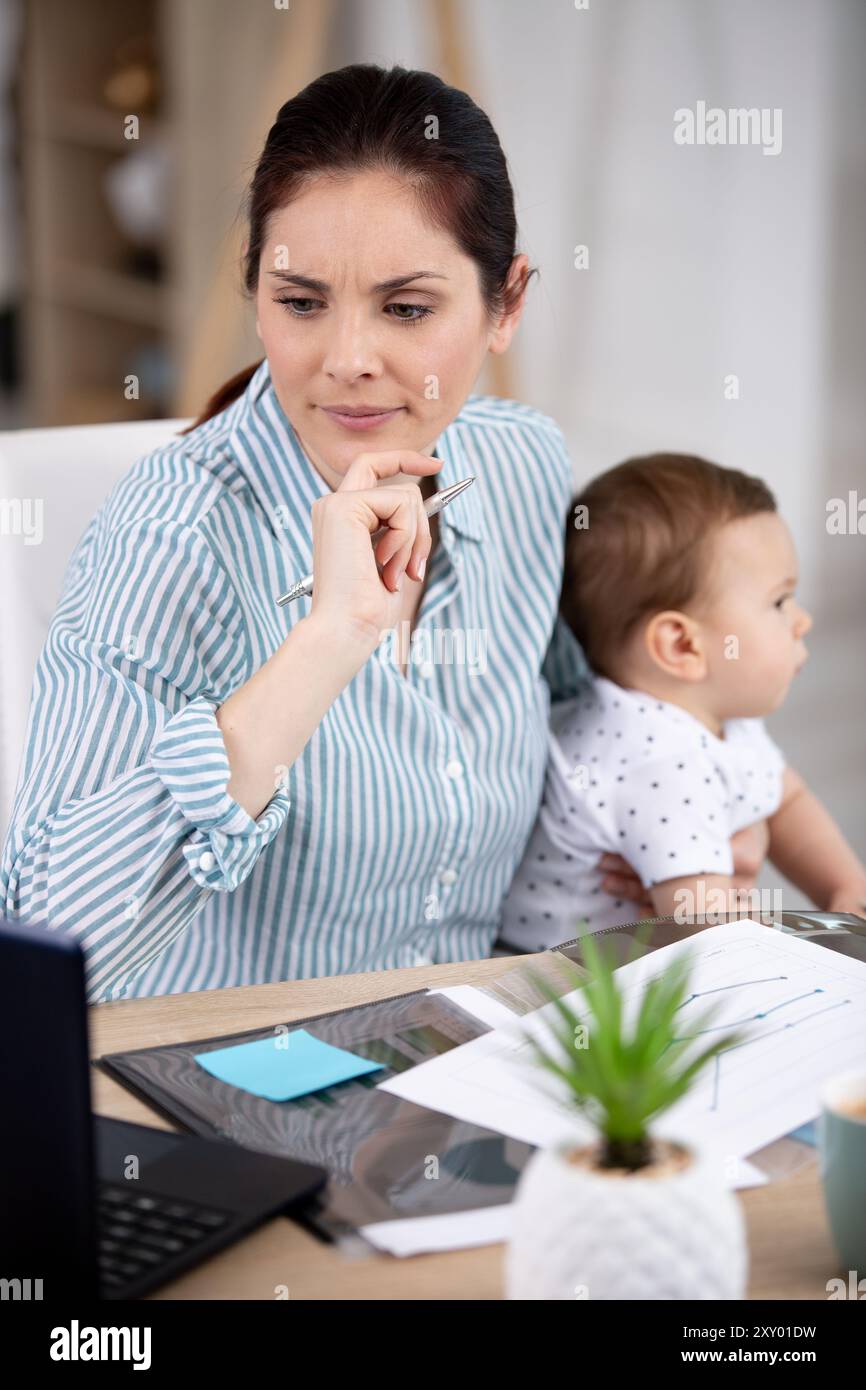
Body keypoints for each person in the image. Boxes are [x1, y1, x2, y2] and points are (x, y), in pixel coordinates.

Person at [0, 65, 764, 1002]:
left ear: (507, 304)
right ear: (255, 293)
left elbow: (597, 706)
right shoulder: (170, 536)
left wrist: (710, 808)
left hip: (476, 1045)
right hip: (227, 1089)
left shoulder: (521, 465)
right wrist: (328, 641)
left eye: (406, 308)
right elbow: (50, 953)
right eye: (301, 302)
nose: (349, 361)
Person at [500, 454, 866, 948]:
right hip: (558, 985)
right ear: (683, 647)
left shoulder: (714, 716)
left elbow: (786, 800)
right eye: (780, 602)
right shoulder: (659, 762)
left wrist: (844, 885)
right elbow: (711, 935)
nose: (803, 621)